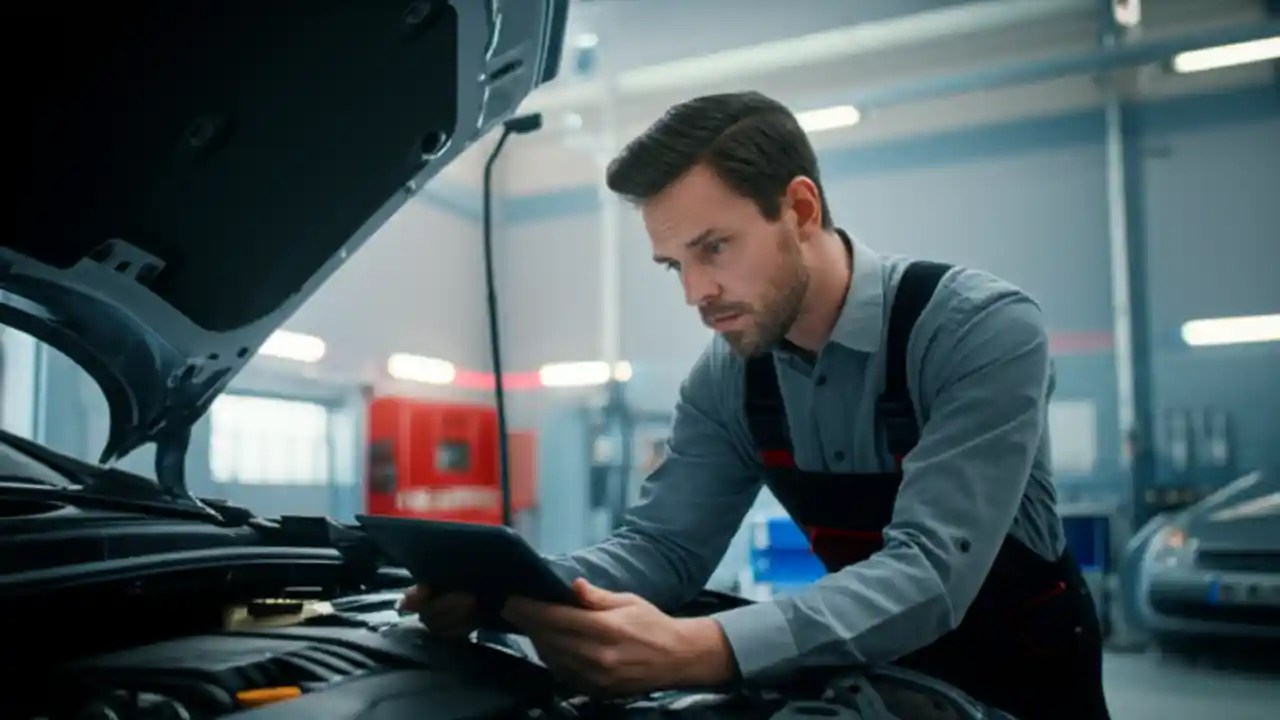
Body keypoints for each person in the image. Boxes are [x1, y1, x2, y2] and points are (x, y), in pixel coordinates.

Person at [400, 91, 1111, 719]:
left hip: (1026, 686)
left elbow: (931, 571)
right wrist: (512, 589)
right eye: (676, 265)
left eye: (714, 248)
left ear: (799, 210)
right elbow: (664, 547)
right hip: (879, 679)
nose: (695, 293)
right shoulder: (727, 380)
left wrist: (700, 649)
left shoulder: (977, 330)